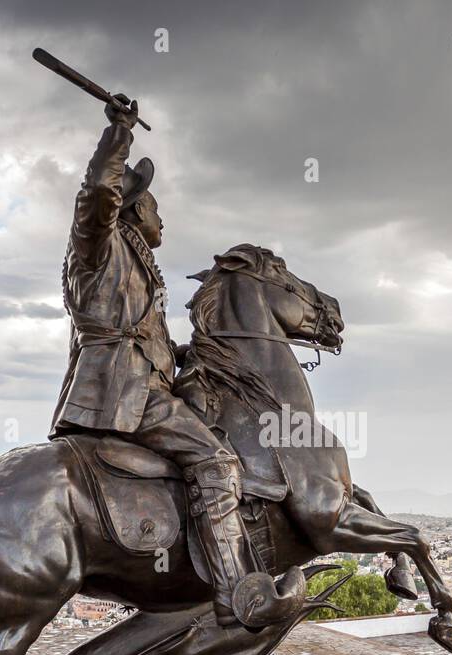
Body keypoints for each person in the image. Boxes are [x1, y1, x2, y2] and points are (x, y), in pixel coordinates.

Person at [49, 93, 297, 628]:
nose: (163, 217)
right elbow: (95, 192)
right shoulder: (101, 247)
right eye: (157, 206)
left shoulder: (141, 268)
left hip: (149, 388)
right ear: (134, 207)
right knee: (216, 462)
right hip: (128, 397)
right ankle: (238, 595)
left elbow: (148, 342)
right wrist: (120, 131)